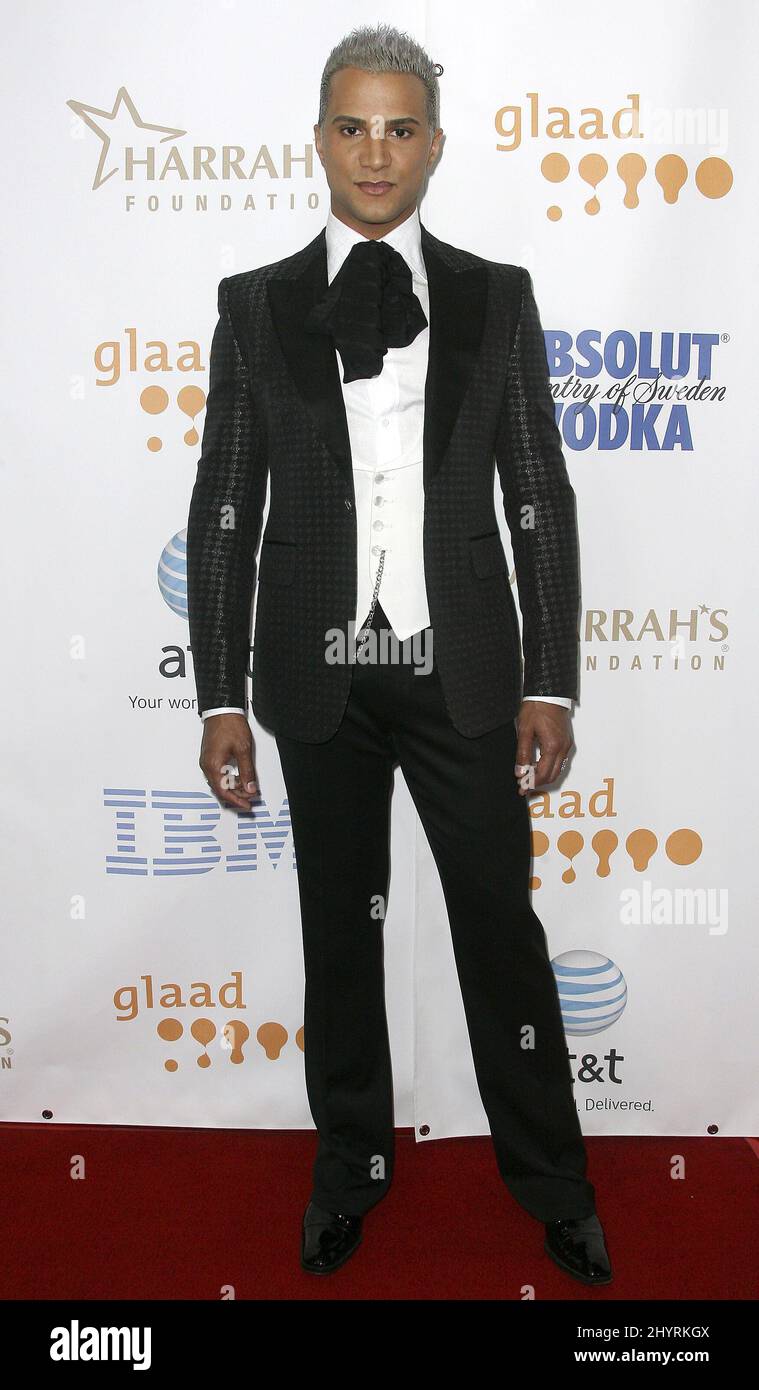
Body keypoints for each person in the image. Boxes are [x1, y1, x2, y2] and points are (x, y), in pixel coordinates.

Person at [186, 22, 612, 1287]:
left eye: (400, 127)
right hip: (316, 675)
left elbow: (539, 488)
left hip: (464, 669)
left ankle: (552, 1180)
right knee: (341, 927)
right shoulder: (254, 306)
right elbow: (224, 504)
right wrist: (217, 693)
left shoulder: (497, 294)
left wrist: (548, 676)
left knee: (500, 930)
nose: (376, 152)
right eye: (353, 126)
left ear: (434, 143)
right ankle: (350, 1169)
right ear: (320, 137)